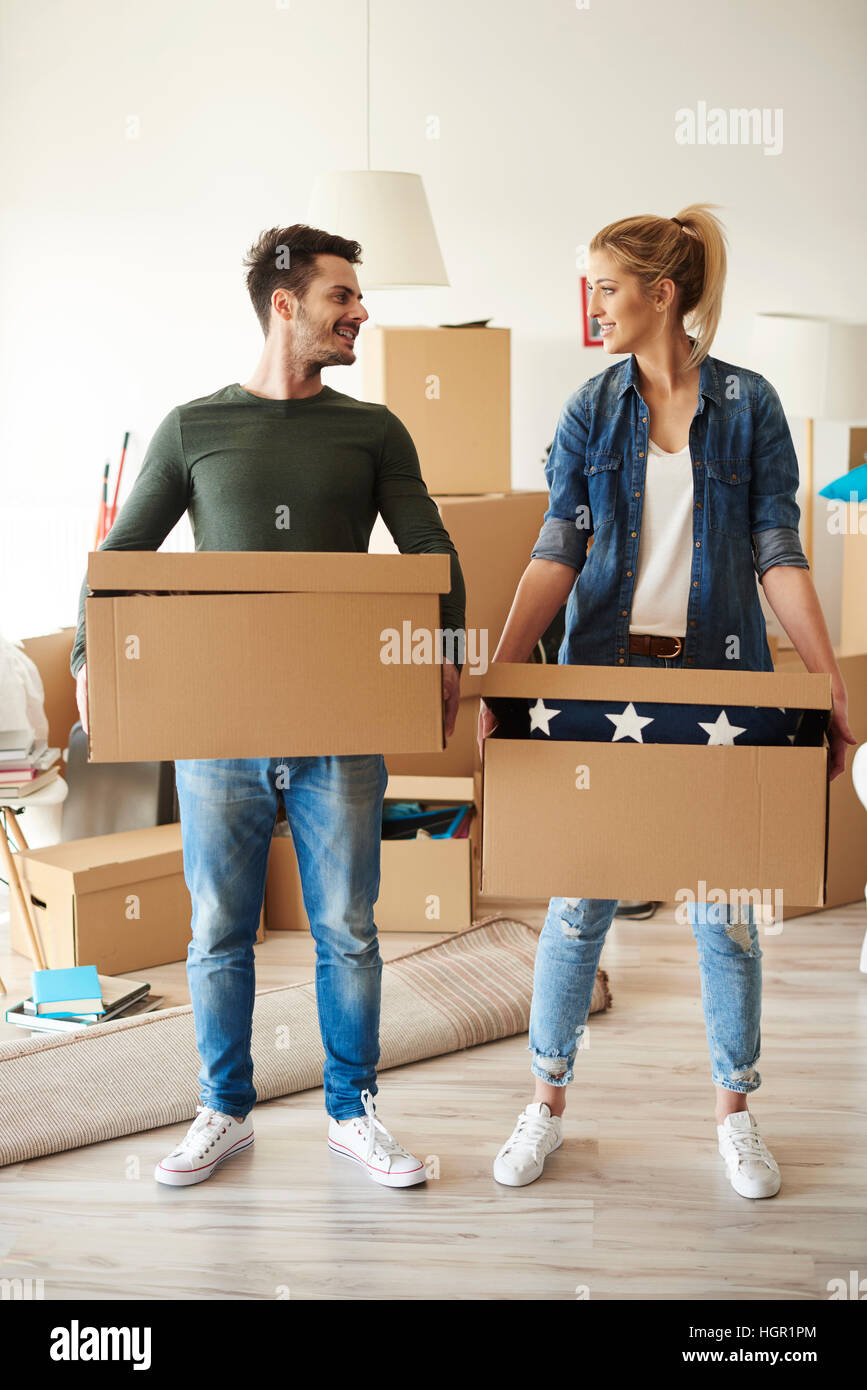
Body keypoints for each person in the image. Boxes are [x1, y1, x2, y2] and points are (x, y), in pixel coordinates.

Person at [71, 224, 466, 1189]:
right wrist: (91, 654)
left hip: (341, 731)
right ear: (285, 304)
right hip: (219, 733)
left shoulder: (373, 430)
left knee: (348, 930)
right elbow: (120, 560)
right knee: (216, 933)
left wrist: (445, 649)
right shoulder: (192, 428)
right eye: (343, 297)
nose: (361, 313)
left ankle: (352, 1111)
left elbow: (430, 552)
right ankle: (223, 1111)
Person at [479, 203, 855, 1197]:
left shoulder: (753, 407)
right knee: (576, 903)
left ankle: (736, 1112)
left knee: (725, 914)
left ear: (663, 294)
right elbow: (555, 552)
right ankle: (545, 1101)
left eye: (606, 287)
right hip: (603, 682)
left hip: (720, 688)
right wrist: (501, 678)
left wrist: (829, 687)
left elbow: (779, 552)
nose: (591, 306)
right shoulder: (589, 411)